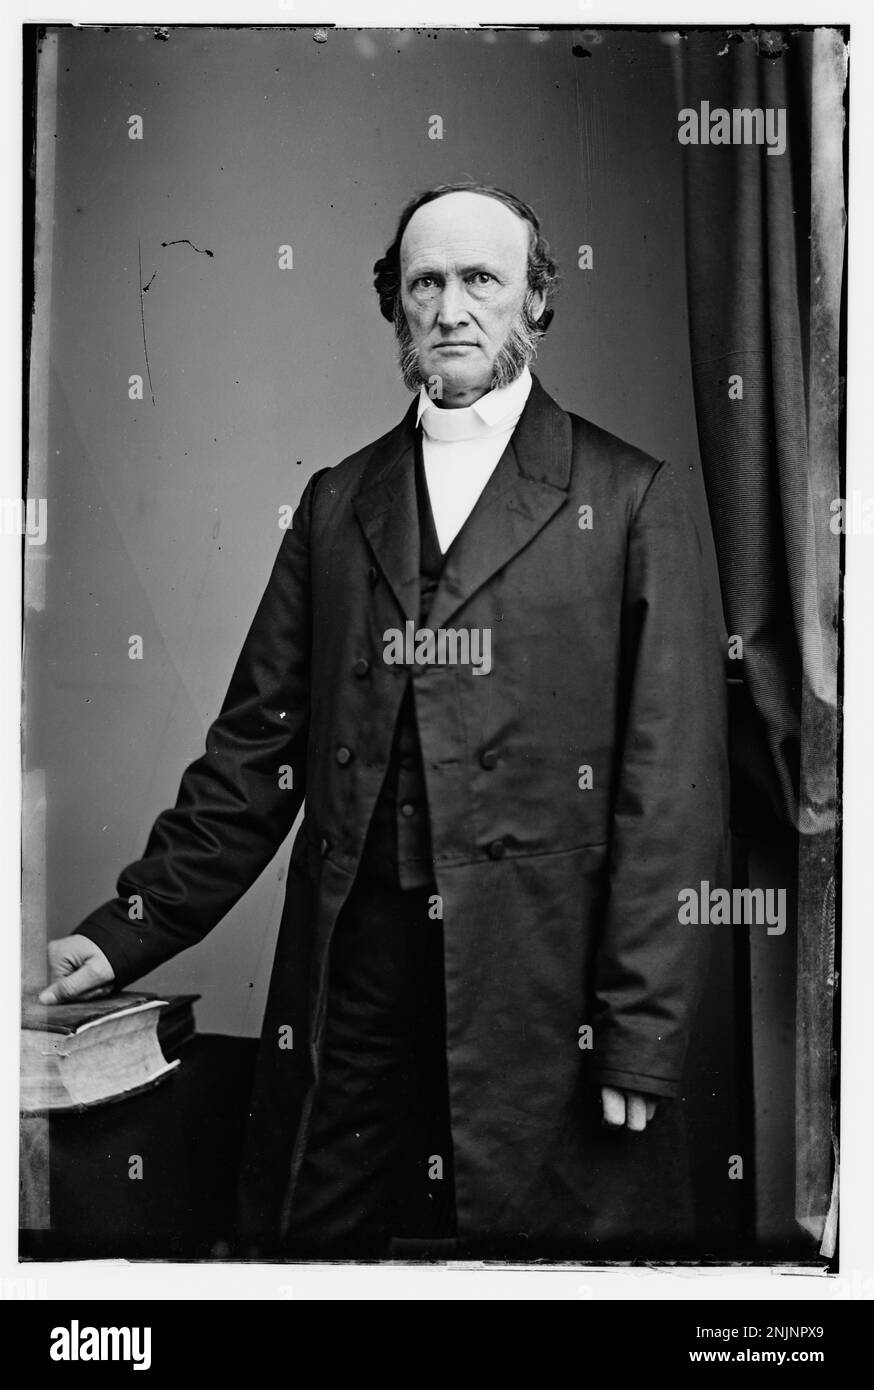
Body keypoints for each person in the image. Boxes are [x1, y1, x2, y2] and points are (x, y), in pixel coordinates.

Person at [41, 183, 729, 1260]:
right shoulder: (336, 502)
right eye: (426, 283)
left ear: (537, 301)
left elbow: (672, 794)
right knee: (316, 1253)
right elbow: (251, 756)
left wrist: (639, 1030)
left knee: (544, 1272)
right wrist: (128, 927)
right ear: (396, 308)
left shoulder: (629, 497)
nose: (452, 308)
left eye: (482, 280)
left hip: (543, 983)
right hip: (351, 971)